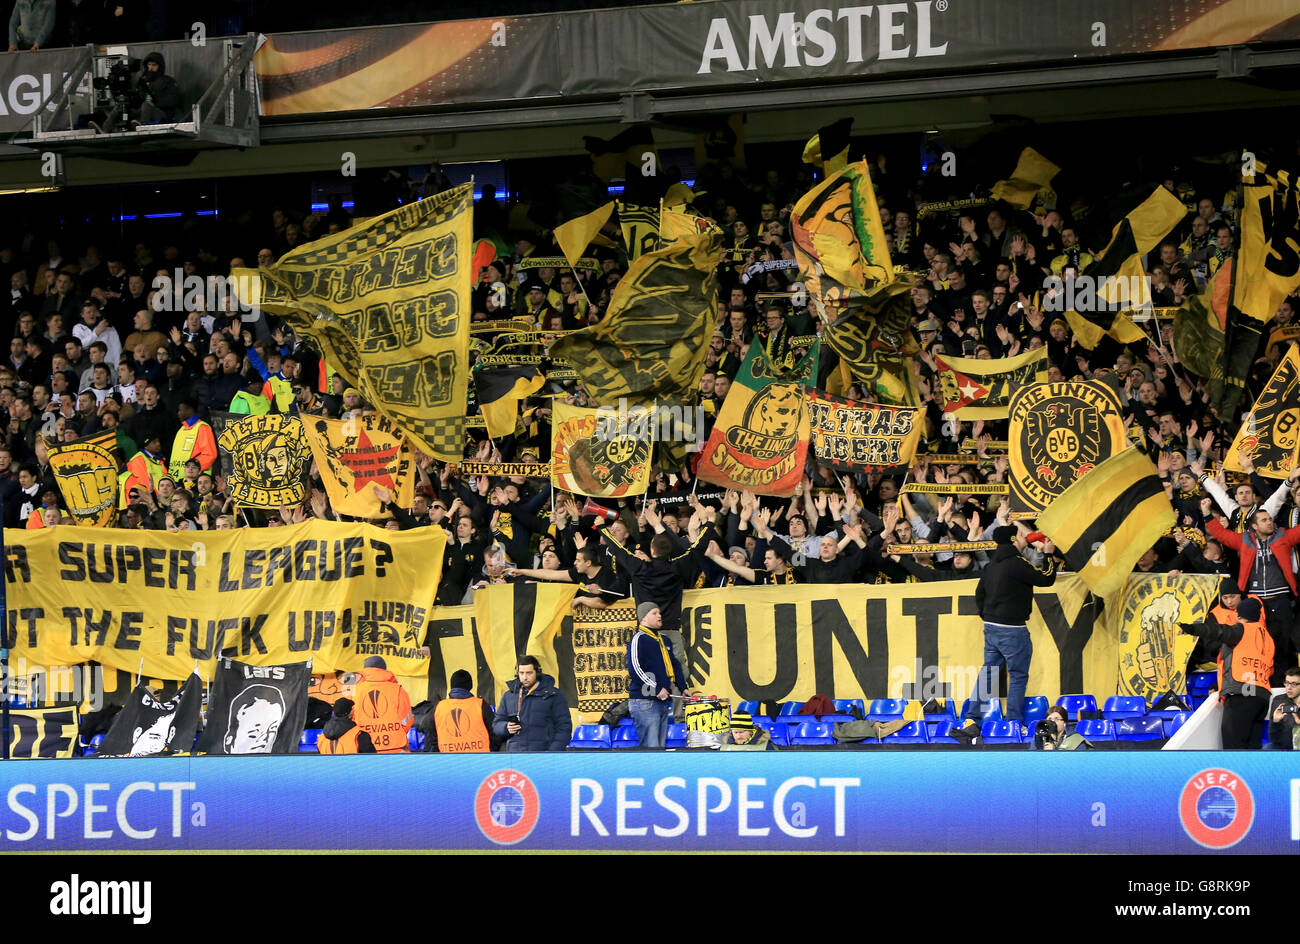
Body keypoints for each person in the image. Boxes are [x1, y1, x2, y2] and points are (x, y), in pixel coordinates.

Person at [958, 525, 1057, 735]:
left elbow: (979, 594)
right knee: (1018, 675)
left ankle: (971, 719)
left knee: (988, 674)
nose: (1024, 538)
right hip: (1013, 629)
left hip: (991, 627)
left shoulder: (991, 565)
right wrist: (1048, 556)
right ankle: (1013, 722)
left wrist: (988, 616)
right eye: (1021, 535)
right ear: (1013, 540)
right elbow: (1046, 578)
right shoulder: (1018, 563)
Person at [1180, 592, 1274, 749]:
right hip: (1262, 695)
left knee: (1234, 746)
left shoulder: (1242, 630)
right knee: (1252, 748)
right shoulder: (1268, 637)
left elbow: (1216, 631)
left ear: (1240, 614)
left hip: (1243, 691)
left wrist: (1190, 628)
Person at [626, 602, 689, 750]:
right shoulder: (639, 638)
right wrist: (656, 688)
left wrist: (683, 687)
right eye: (654, 613)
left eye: (659, 612)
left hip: (662, 701)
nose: (659, 615)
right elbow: (635, 669)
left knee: (659, 750)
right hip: (644, 701)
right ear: (643, 618)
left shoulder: (663, 640)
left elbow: (675, 665)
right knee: (652, 749)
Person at [492, 655, 571, 752]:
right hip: (515, 755)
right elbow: (496, 725)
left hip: (543, 754)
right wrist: (505, 727)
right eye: (521, 673)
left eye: (529, 673)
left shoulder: (554, 695)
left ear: (537, 673)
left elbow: (564, 728)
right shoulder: (508, 696)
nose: (525, 677)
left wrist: (552, 752)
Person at [351, 655, 414, 754]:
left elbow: (350, 719)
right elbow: (408, 718)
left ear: (365, 670)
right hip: (397, 749)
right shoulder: (398, 690)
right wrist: (396, 733)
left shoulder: (354, 691)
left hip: (364, 751)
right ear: (384, 669)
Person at [430, 669, 497, 753]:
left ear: (452, 686)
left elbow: (431, 736)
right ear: (470, 686)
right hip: (480, 760)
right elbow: (495, 732)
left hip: (448, 761)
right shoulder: (481, 705)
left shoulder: (439, 707)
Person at [1268, 664, 1300, 750]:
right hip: (1284, 746)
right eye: (1287, 683)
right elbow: (1273, 738)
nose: (1289, 687)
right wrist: (1275, 722)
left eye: (1294, 684)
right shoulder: (1279, 700)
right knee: (1269, 747)